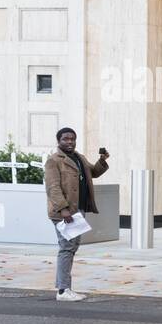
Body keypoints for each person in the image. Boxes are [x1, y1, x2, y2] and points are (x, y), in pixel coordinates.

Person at [44, 127, 110, 302]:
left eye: (72, 139)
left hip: (76, 210)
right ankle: (63, 290)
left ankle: (65, 288)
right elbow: (53, 188)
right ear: (58, 141)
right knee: (66, 248)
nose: (70, 142)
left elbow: (94, 172)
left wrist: (102, 160)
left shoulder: (79, 158)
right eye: (65, 139)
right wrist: (63, 209)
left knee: (71, 247)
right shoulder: (53, 161)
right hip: (64, 212)